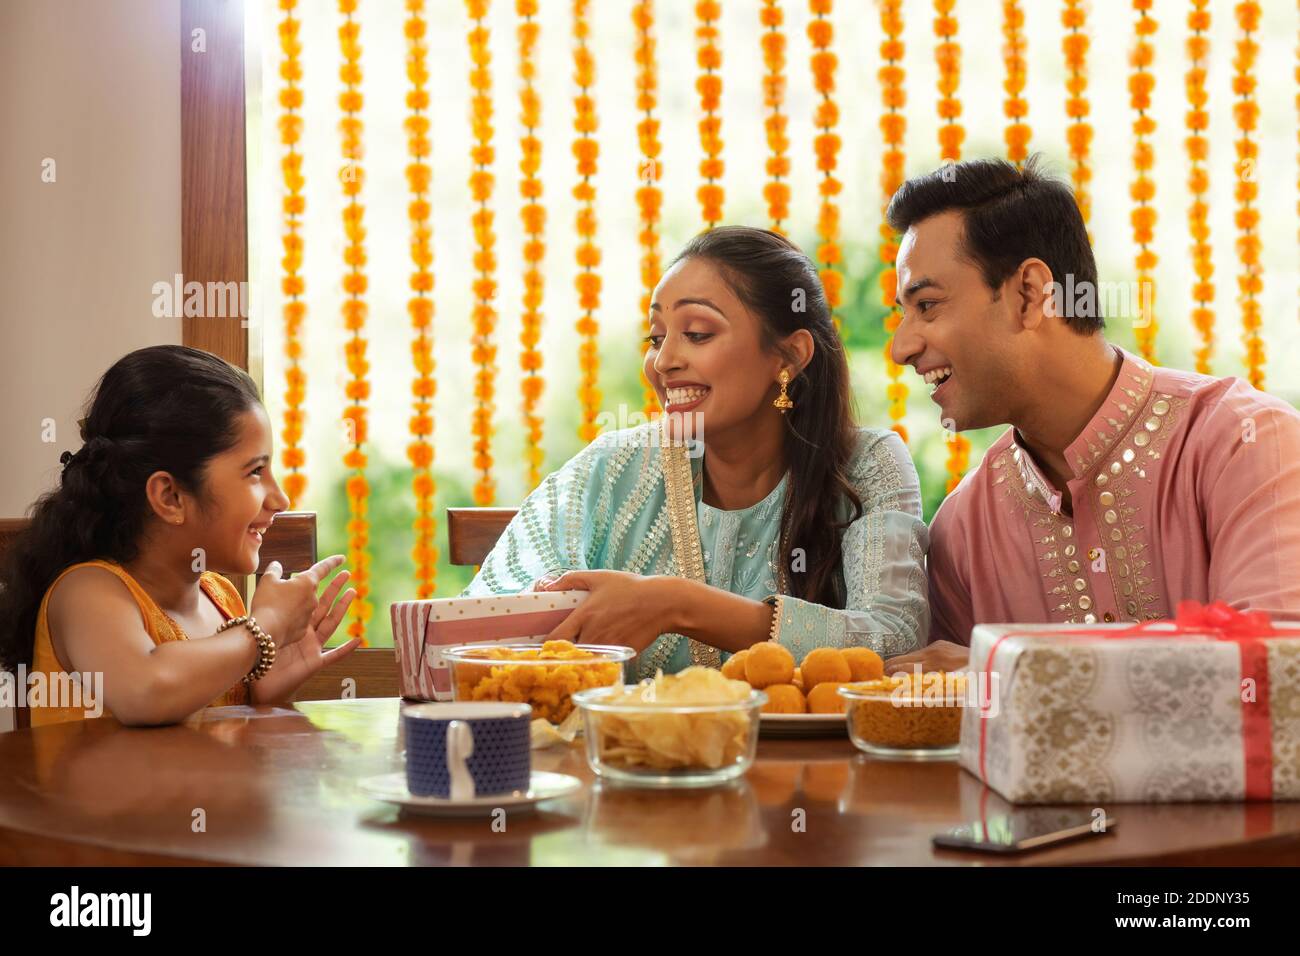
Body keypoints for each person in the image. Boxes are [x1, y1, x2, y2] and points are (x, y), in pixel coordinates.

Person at [880, 155, 1300, 675]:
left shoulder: (1244, 444)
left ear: (1029, 294)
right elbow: (945, 715)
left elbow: (1277, 676)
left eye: (926, 305)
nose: (900, 348)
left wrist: (1009, 669)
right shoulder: (964, 531)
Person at [464, 226, 930, 679]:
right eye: (656, 338)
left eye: (698, 333)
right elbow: (488, 616)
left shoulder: (866, 463)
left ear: (788, 356)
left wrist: (676, 604)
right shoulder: (613, 468)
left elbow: (895, 638)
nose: (663, 362)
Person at [0, 345, 359, 726]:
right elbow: (146, 691)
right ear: (171, 497)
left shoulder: (222, 599)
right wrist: (265, 628)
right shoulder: (87, 593)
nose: (280, 499)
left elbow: (220, 751)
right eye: (255, 472)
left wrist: (265, 696)